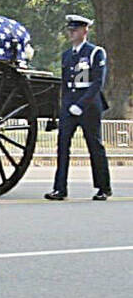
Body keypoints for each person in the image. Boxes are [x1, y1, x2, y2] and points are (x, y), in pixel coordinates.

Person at [46, 15, 112, 201]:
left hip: (89, 105)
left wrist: (81, 105)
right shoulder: (67, 55)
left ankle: (103, 187)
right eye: (69, 30)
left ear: (85, 31)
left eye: (75, 30)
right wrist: (65, 106)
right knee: (62, 146)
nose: (71, 33)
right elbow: (66, 84)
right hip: (70, 105)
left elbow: (97, 83)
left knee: (94, 145)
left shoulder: (95, 52)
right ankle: (60, 188)